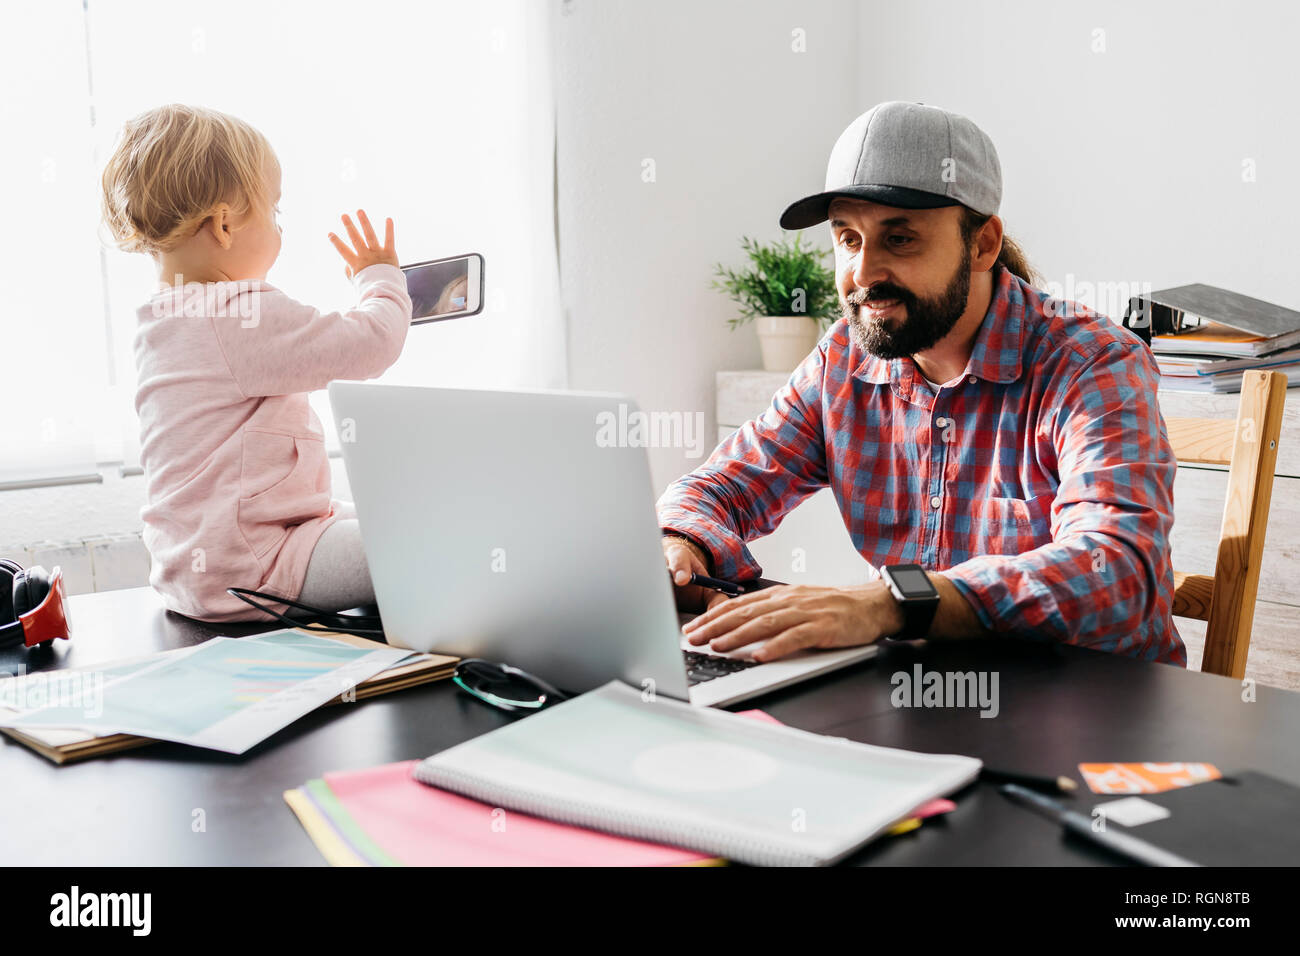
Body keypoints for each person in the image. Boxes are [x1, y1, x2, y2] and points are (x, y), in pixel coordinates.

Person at [658, 101, 1184, 666]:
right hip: (916, 696)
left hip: (1094, 708)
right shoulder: (842, 360)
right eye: (848, 238)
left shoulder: (1090, 362)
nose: (861, 274)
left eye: (900, 239)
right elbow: (719, 488)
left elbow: (1118, 570)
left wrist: (891, 602)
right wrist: (681, 545)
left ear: (982, 244)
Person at [100, 103, 411, 622]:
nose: (280, 228)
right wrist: (379, 277)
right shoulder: (237, 314)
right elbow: (374, 343)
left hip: (199, 568)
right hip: (258, 565)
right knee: (425, 542)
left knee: (390, 517)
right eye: (275, 211)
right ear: (223, 225)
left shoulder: (160, 322)